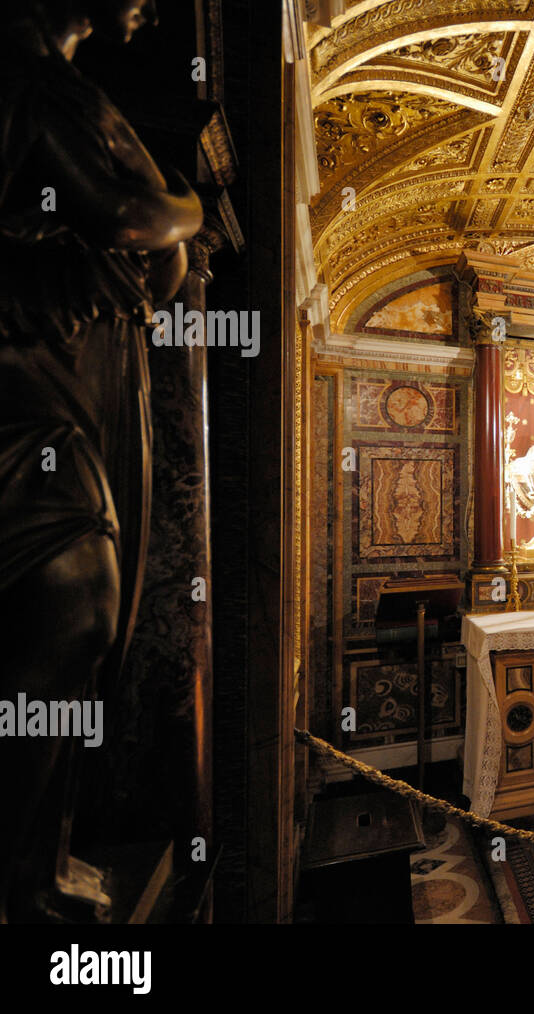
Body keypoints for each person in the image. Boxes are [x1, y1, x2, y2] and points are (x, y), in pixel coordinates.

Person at [0, 0, 202, 922]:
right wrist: (187, 205)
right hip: (25, 367)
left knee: (82, 623)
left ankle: (41, 857)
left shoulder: (65, 85)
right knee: (72, 600)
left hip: (71, 362)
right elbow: (132, 216)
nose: (149, 4)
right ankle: (22, 875)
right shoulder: (27, 76)